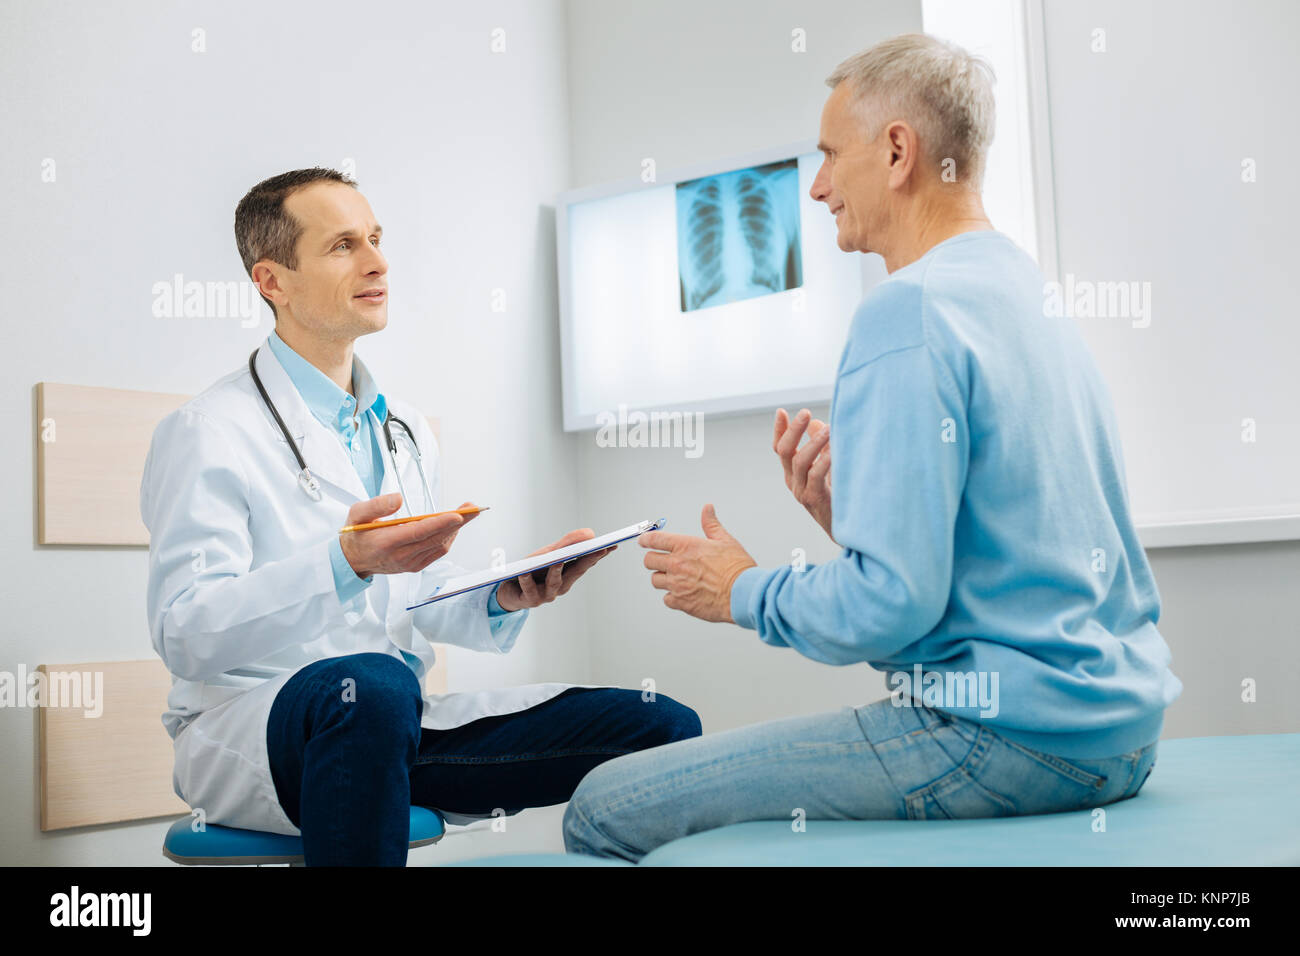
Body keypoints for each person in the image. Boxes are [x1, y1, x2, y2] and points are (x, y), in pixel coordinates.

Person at [562, 33, 1182, 862]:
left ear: (897, 152)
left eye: (827, 156)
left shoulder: (908, 312)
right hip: (1120, 738)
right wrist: (851, 516)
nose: (815, 187)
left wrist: (742, 589)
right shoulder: (1025, 291)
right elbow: (991, 577)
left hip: (1007, 741)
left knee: (601, 807)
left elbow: (894, 610)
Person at [141, 168, 700, 866]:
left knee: (659, 725)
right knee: (371, 687)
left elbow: (407, 599)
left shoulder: (401, 428)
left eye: (375, 238)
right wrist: (343, 565)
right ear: (272, 281)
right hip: (252, 731)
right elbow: (186, 632)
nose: (378, 261)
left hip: (394, 723)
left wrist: (502, 592)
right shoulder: (206, 430)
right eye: (343, 245)